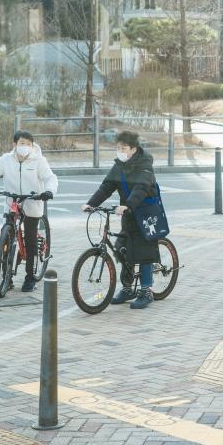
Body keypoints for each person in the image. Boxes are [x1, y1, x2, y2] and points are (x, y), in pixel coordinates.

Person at [82, 129, 160, 310]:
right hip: (128, 213)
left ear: (133, 149)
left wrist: (128, 205)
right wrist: (91, 204)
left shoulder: (144, 164)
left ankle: (146, 291)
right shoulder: (119, 166)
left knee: (144, 250)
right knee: (123, 249)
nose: (120, 151)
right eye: (118, 148)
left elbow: (141, 188)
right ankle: (127, 288)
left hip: (145, 212)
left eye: (123, 148)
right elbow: (106, 187)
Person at [0, 129, 58, 291]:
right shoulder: (6, 159)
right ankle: (6, 277)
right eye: (22, 143)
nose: (25, 146)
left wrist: (49, 191)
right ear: (14, 144)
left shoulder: (39, 161)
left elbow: (50, 178)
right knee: (6, 237)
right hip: (12, 201)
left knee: (30, 239)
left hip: (32, 201)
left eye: (29, 144)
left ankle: (30, 277)